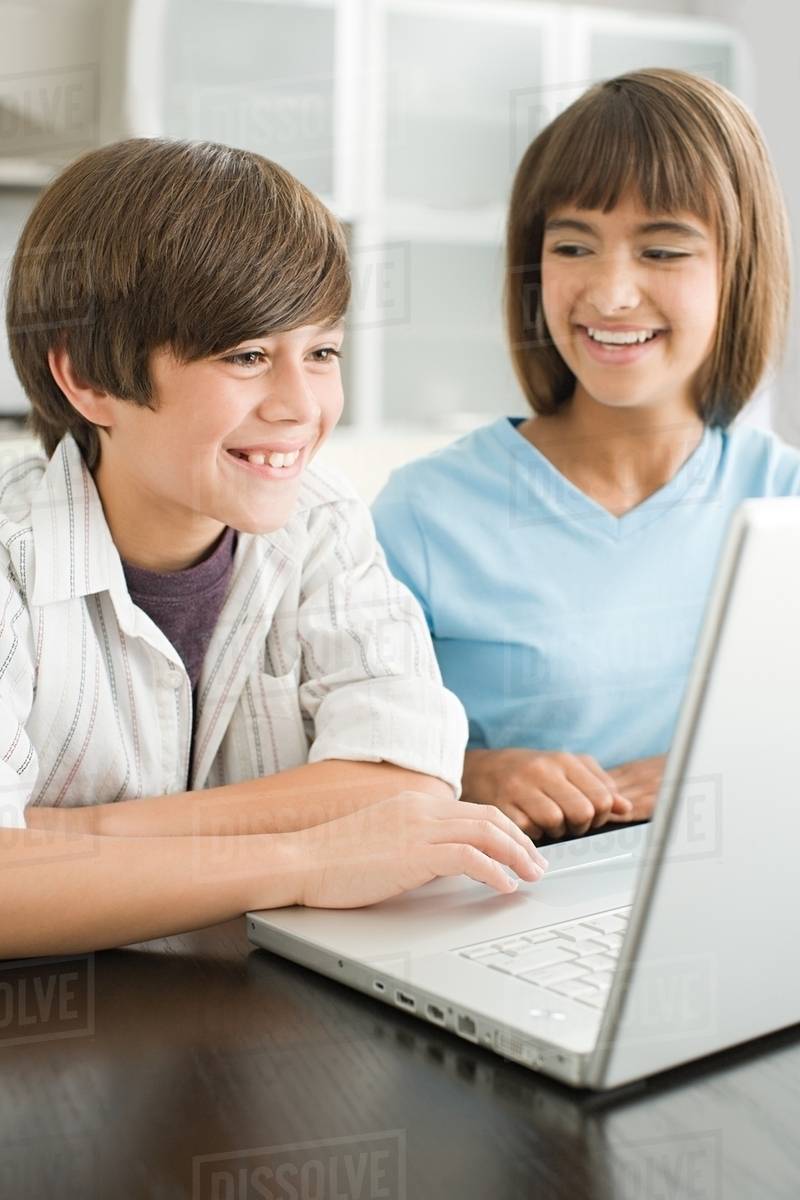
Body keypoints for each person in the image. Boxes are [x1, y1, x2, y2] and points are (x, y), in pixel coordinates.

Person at [0, 138, 547, 959]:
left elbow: (407, 781)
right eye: (248, 356)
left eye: (322, 352)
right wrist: (307, 856)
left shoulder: (320, 522)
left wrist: (78, 837)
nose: (301, 405)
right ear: (87, 379)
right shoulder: (16, 558)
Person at [372, 68, 800, 841]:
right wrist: (469, 772)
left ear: (740, 271)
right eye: (573, 245)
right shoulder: (425, 513)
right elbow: (338, 752)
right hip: (502, 903)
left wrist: (721, 772)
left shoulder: (782, 497)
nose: (610, 294)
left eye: (663, 252)